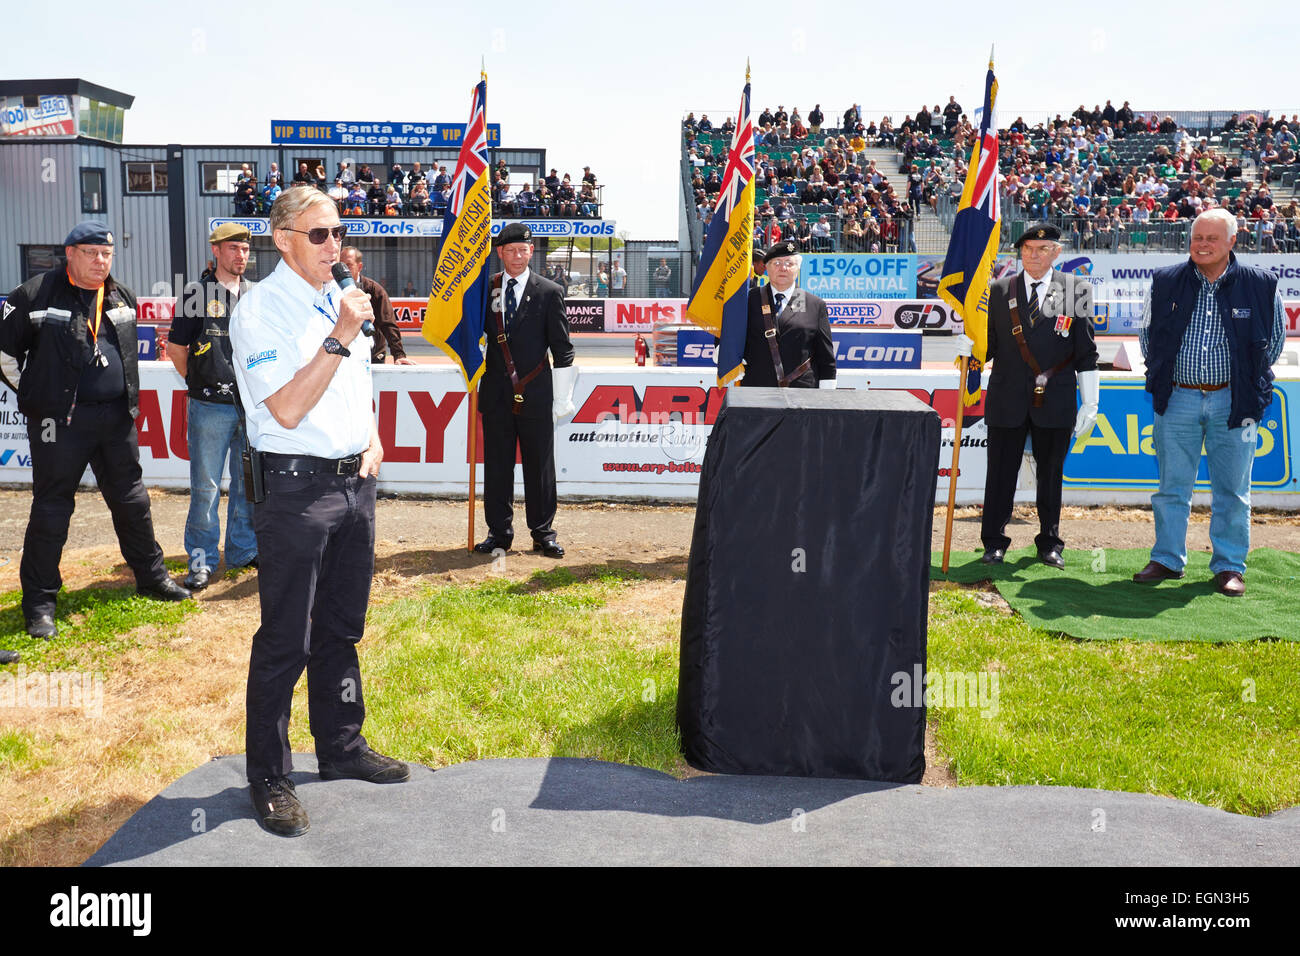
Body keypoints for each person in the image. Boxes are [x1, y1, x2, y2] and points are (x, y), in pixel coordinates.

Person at [230, 187, 407, 839]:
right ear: (282, 239)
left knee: (342, 628)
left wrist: (372, 438)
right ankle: (269, 777)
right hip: (295, 490)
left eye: (339, 233)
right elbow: (286, 410)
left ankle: (340, 748)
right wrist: (339, 335)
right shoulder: (260, 310)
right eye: (320, 235)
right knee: (285, 640)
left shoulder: (342, 296)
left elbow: (357, 385)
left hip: (352, 487)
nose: (335, 246)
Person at [0, 222, 191, 639]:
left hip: (115, 419)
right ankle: (40, 602)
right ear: (69, 253)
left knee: (133, 501)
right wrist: (39, 396)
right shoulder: (32, 295)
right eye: (90, 253)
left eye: (106, 254)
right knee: (52, 511)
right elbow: (5, 357)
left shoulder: (121, 295)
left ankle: (152, 578)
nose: (100, 261)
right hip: (58, 424)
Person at [1133, 208, 1286, 596]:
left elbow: (1274, 342)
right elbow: (1147, 335)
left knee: (1233, 490)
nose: (1201, 245)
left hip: (1234, 403)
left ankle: (1229, 565)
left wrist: (1244, 384)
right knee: (1171, 487)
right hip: (1178, 398)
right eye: (1197, 237)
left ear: (1232, 241)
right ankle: (1167, 559)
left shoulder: (1261, 284)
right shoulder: (1166, 280)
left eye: (1211, 239)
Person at [976, 222, 1098, 569]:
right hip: (1007, 397)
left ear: (1057, 253)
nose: (1034, 255)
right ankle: (994, 543)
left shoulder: (1077, 290)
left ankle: (1049, 543)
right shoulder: (999, 290)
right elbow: (988, 348)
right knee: (999, 475)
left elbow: (1086, 353)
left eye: (1043, 249)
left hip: (1056, 397)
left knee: (1051, 476)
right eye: (1028, 248)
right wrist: (969, 349)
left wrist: (1091, 401)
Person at [473, 224, 577, 560]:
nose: (517, 256)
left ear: (531, 252)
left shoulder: (549, 291)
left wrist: (561, 398)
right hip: (496, 396)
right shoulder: (484, 290)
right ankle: (499, 533)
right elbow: (471, 338)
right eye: (510, 250)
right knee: (498, 467)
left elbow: (563, 350)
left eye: (523, 250)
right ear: (499, 253)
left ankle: (543, 533)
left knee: (540, 468)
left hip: (536, 394)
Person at [165, 223, 258, 591]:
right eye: (233, 248)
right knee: (205, 488)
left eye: (246, 249)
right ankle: (201, 560)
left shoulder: (256, 294)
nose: (241, 255)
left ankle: (242, 552)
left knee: (245, 486)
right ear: (216, 251)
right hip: (209, 407)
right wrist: (200, 382)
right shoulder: (195, 293)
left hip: (250, 408)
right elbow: (176, 349)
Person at [739, 241, 836, 389]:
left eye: (789, 263)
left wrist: (827, 389)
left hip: (802, 393)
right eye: (776, 263)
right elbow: (729, 331)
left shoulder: (815, 305)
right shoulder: (748, 300)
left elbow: (825, 356)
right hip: (755, 391)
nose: (783, 268)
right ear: (766, 268)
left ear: (798, 269)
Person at [339, 246, 415, 366]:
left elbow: (388, 323)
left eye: (348, 265)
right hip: (342, 355)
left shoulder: (374, 290)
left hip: (373, 355)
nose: (344, 270)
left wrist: (398, 354)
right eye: (340, 265)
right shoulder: (331, 289)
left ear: (359, 267)